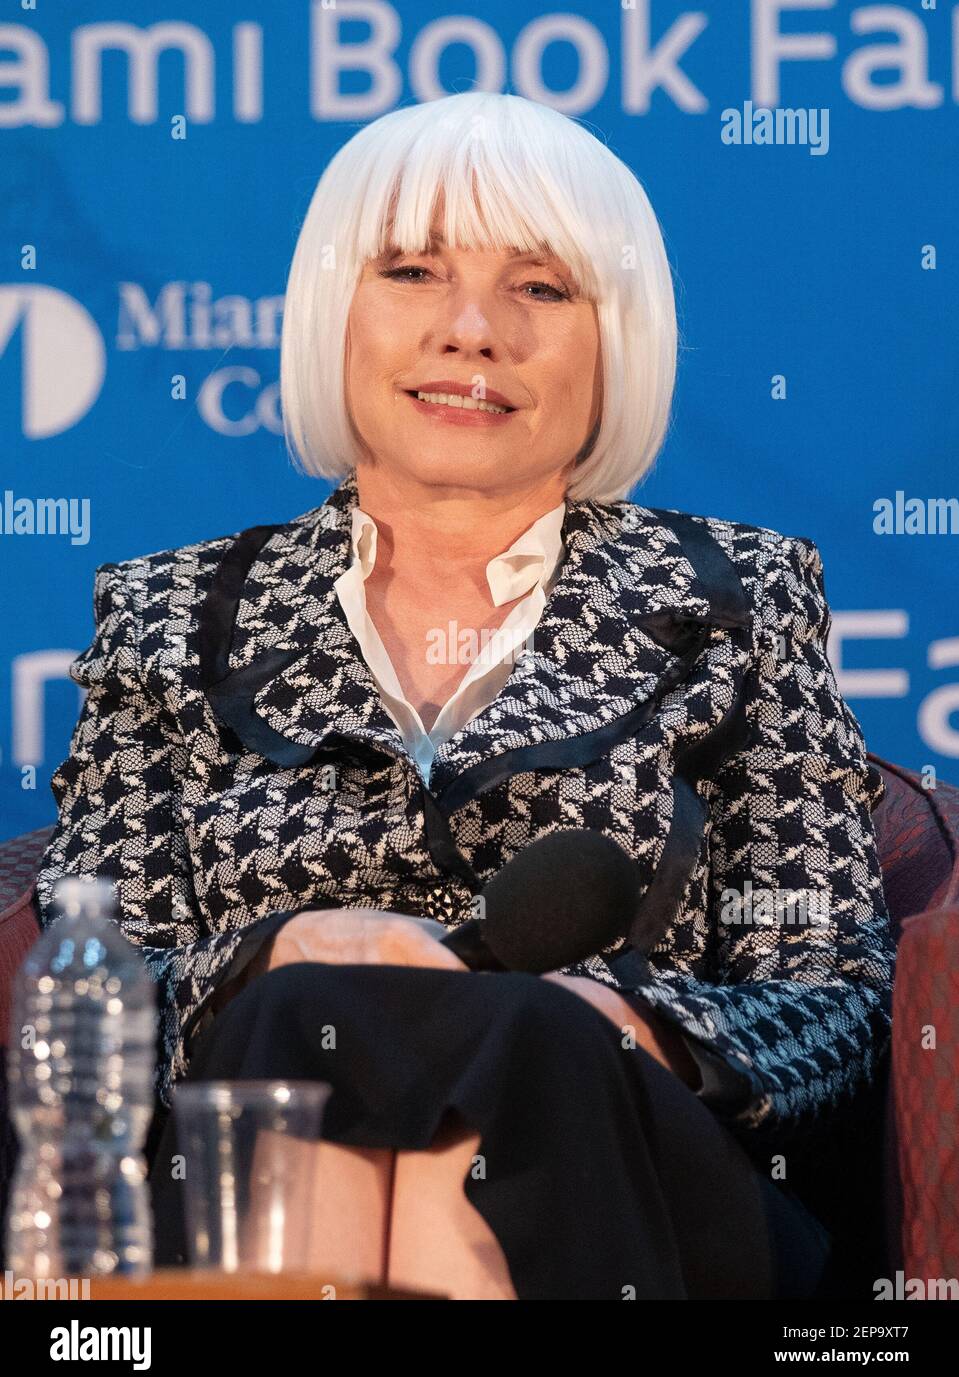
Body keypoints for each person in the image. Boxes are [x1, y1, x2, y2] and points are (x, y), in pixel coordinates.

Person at [34, 91, 894, 1300]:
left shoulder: (739, 598)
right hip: (249, 1175)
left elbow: (827, 998)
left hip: (626, 1177)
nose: (471, 330)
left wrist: (608, 1016)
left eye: (540, 287)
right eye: (412, 272)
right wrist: (278, 948)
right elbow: (97, 997)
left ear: (618, 339)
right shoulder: (168, 614)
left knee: (526, 1038)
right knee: (299, 1017)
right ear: (333, 313)